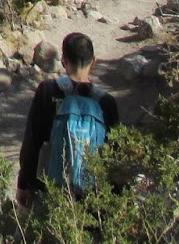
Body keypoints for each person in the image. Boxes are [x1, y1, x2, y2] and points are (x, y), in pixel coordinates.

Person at [17, 31, 120, 207]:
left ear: (64, 61)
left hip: (48, 189)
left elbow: (32, 142)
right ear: (93, 61)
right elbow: (115, 153)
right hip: (90, 195)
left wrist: (23, 184)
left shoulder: (48, 90)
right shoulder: (105, 102)